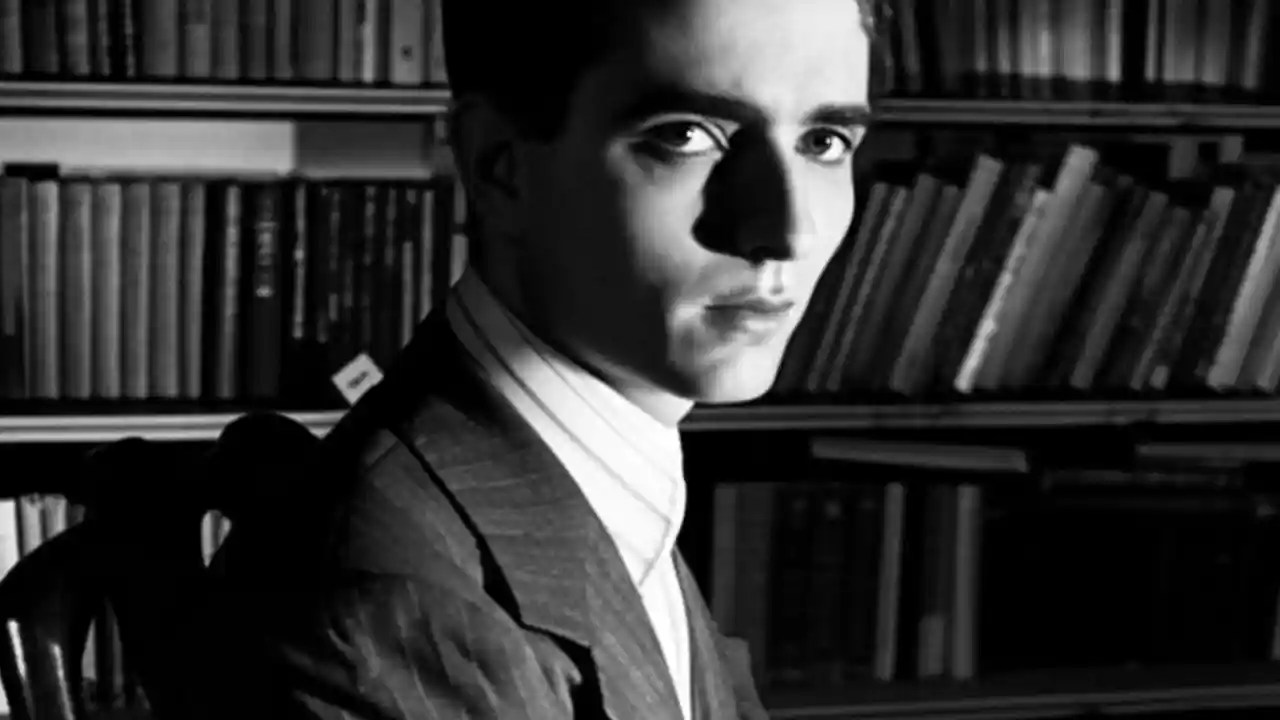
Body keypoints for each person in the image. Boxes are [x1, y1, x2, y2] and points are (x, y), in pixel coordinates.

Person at [210, 0, 873, 717]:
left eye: (824, 142)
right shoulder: (393, 602)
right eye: (685, 136)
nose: (787, 230)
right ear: (498, 166)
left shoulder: (607, 465)